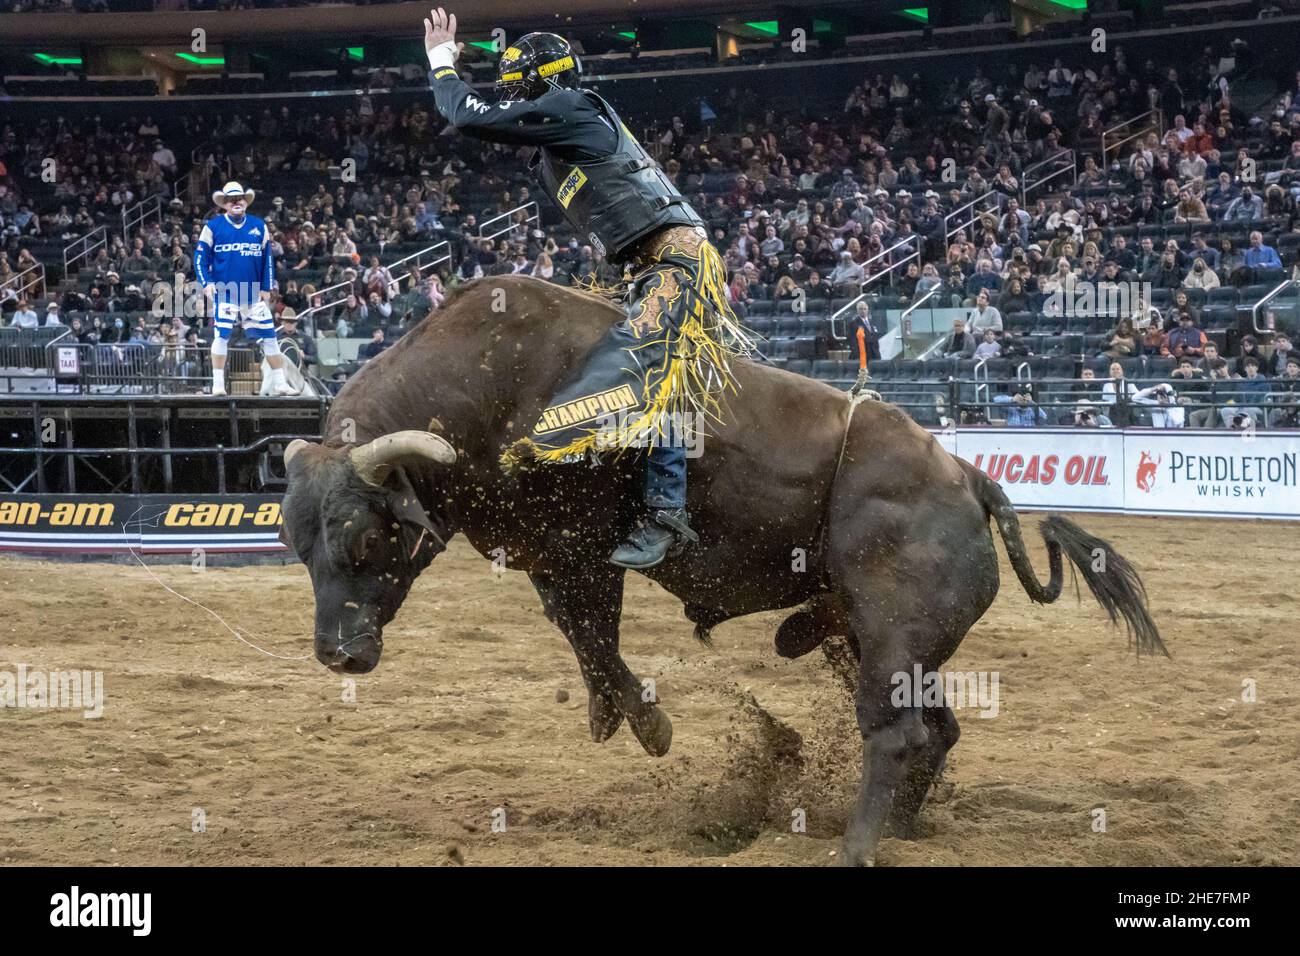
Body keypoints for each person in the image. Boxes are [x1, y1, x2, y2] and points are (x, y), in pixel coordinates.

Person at [425, 9, 752, 569]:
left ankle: (665, 510)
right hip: (642, 267)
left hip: (677, 260)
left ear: (543, 83)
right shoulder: (561, 137)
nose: (514, 100)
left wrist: (442, 63)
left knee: (638, 366)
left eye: (518, 88)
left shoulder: (572, 107)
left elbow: (465, 115)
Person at [195, 181, 295, 397]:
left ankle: (279, 384)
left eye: (239, 198)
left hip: (253, 293)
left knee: (269, 336)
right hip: (225, 291)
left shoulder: (259, 226)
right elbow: (199, 259)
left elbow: (267, 259)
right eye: (231, 199)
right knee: (221, 336)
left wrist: (267, 286)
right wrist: (207, 283)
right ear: (225, 204)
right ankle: (218, 385)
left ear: (246, 202)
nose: (236, 202)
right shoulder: (212, 227)